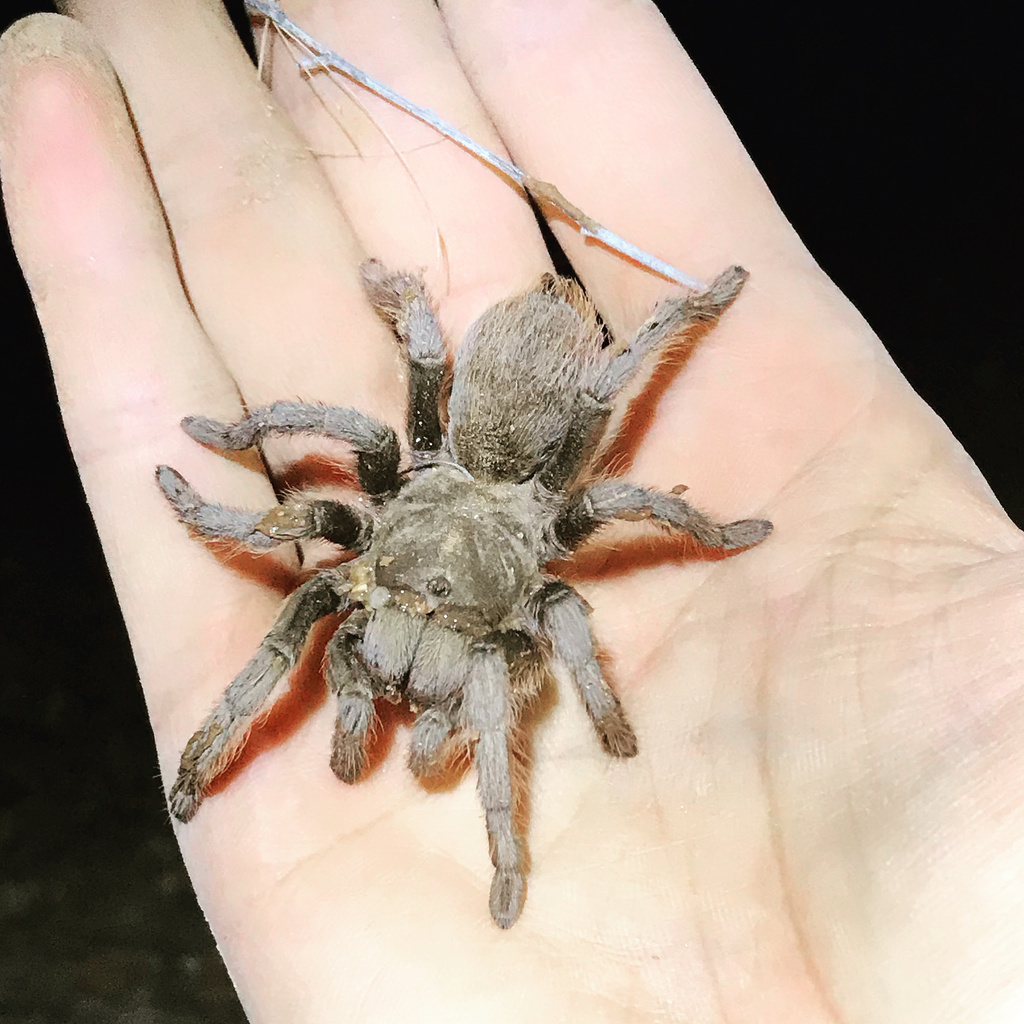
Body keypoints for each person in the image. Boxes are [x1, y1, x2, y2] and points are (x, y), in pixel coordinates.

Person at [1, 2, 1020, 1021]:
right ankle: (202, 760)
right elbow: (339, 450)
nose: (407, 645)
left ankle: (507, 847)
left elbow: (602, 517)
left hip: (522, 458)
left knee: (587, 430)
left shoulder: (545, 558)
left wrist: (652, 623)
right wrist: (227, 496)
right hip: (454, 470)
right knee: (359, 454)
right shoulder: (379, 520)